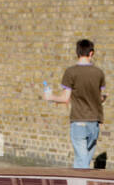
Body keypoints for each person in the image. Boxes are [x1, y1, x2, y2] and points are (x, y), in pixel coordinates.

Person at [43, 39, 105, 168]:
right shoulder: (99, 73)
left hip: (79, 120)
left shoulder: (70, 72)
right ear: (91, 53)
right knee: (84, 160)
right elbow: (100, 98)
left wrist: (51, 97)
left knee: (82, 162)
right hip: (94, 122)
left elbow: (65, 98)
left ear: (77, 52)